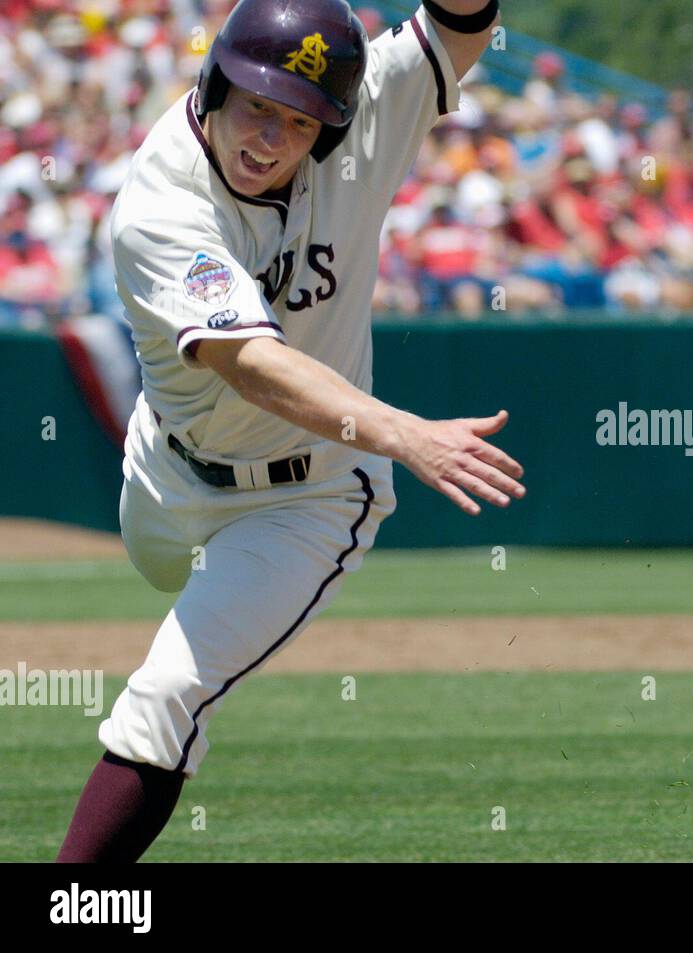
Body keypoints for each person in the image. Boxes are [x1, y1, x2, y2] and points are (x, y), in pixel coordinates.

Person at [55, 0, 519, 863]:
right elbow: (251, 365)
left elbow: (459, 26)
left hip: (309, 494)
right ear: (216, 81)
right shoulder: (161, 202)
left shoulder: (368, 111)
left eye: (299, 121)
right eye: (257, 104)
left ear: (333, 129)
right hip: (166, 470)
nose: (269, 137)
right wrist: (406, 434)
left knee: (166, 697)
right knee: (160, 573)